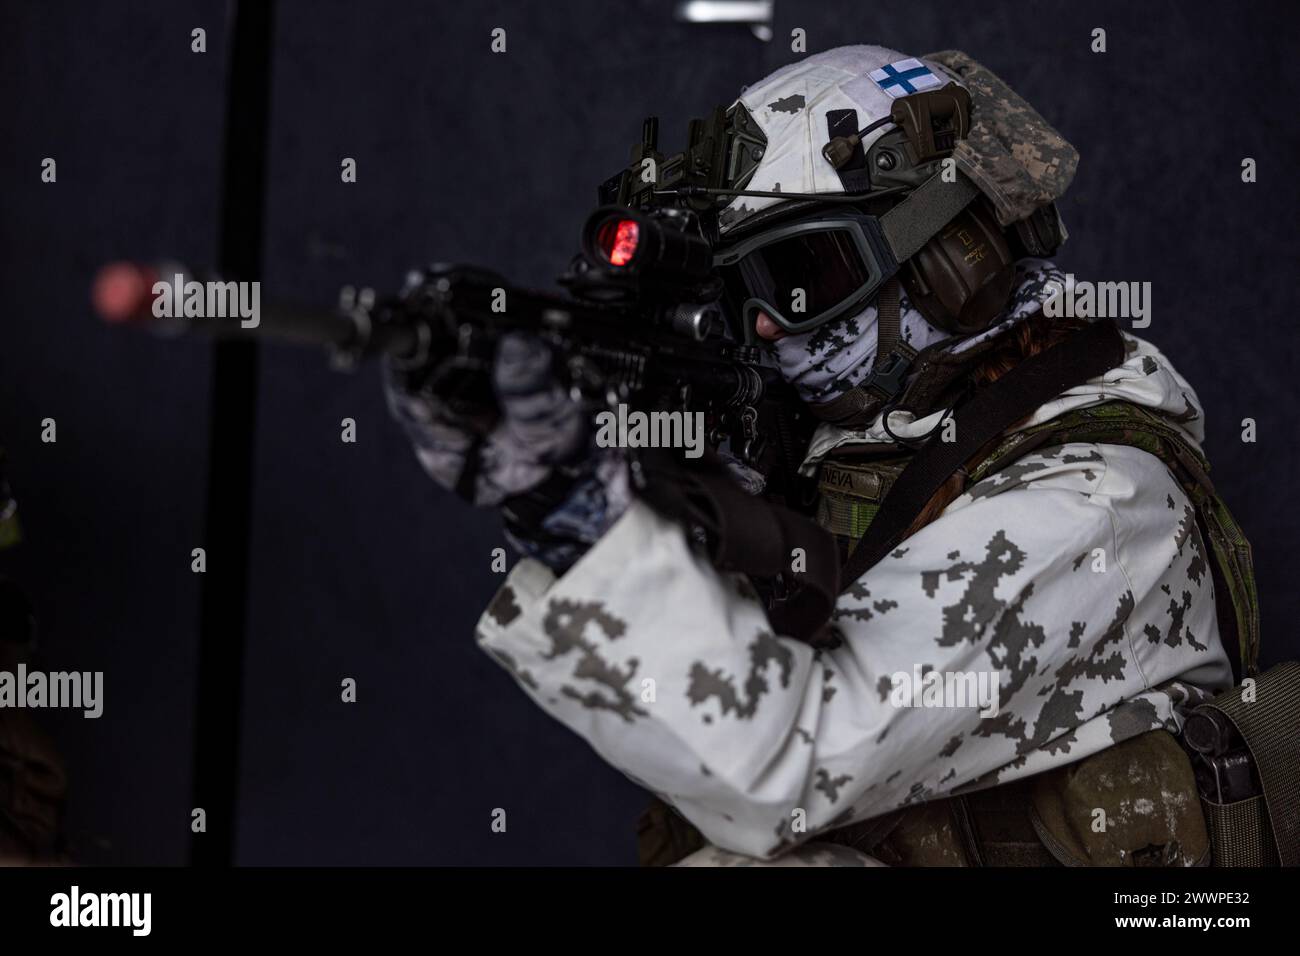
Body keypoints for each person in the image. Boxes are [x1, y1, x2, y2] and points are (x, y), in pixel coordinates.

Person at [385, 45, 1244, 866]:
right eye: (737, 288)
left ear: (950, 252)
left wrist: (583, 517)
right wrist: (682, 496)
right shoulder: (853, 443)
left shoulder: (1101, 505)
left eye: (800, 273)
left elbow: (785, 773)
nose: (763, 323)